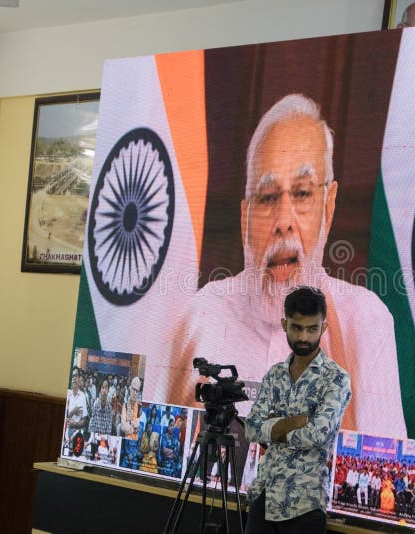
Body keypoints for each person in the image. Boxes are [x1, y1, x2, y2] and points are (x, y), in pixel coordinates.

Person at [164, 93, 402, 437]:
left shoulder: (365, 323)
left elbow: (384, 460)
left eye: (302, 194)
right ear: (245, 218)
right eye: (267, 197)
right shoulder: (199, 317)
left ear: (328, 206)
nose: (283, 221)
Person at [244, 286, 352, 533]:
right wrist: (294, 422)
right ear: (284, 325)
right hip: (264, 497)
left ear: (324, 328)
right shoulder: (275, 374)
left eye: (312, 329)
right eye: (297, 327)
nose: (303, 337)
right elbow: (251, 428)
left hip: (304, 506)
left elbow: (317, 435)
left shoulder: (336, 378)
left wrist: (273, 427)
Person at [65, 368, 88, 440]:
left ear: (79, 378)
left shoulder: (83, 396)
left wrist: (76, 424)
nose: (74, 378)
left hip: (78, 430)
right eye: (72, 376)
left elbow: (84, 420)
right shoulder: (67, 394)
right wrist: (73, 411)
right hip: (66, 429)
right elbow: (64, 417)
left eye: (76, 376)